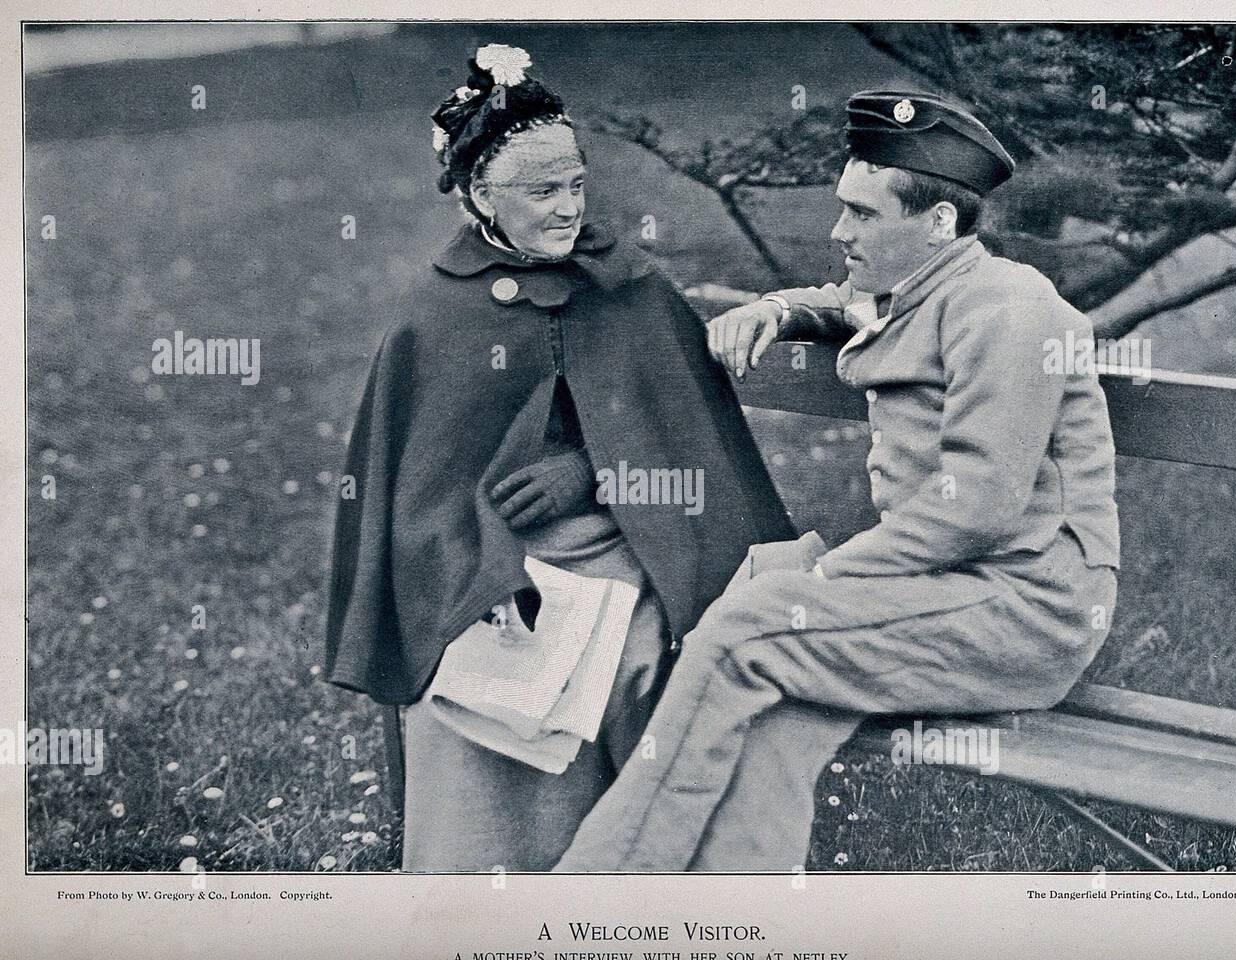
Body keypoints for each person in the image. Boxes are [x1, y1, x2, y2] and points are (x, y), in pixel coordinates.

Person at [553, 89, 1122, 872]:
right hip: (948, 590)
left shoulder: (1009, 310)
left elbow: (979, 508)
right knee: (773, 707)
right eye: (842, 208)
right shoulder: (926, 286)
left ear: (939, 224)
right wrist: (781, 307)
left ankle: (596, 894)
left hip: (1028, 609)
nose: (837, 231)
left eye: (862, 214)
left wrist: (824, 577)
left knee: (746, 631)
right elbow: (853, 307)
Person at [322, 45, 793, 872]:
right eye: (541, 191)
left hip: (631, 542)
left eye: (576, 183)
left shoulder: (628, 287)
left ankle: (637, 881)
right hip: (494, 558)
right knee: (467, 686)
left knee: (639, 657)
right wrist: (486, 576)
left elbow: (681, 439)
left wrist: (590, 471)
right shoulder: (436, 318)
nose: (568, 206)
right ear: (477, 197)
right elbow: (416, 496)